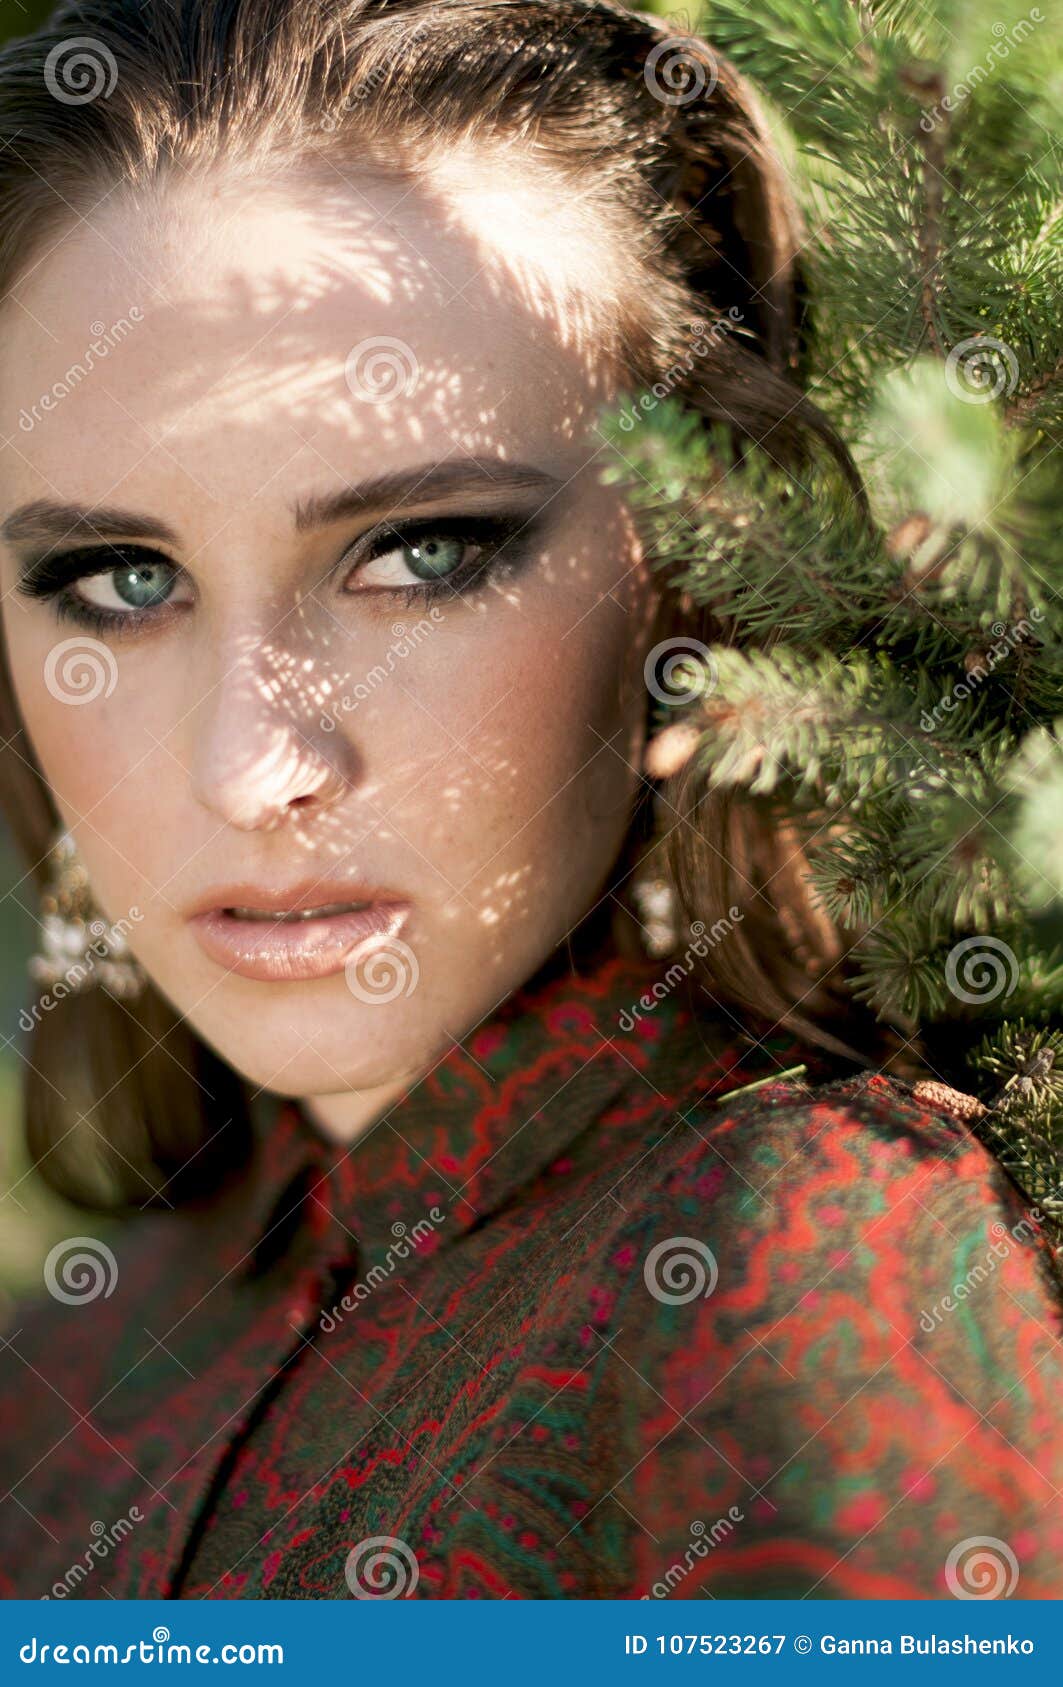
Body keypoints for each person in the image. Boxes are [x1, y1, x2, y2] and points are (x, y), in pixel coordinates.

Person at [0, 0, 1059, 1602]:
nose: (252, 767)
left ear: (696, 568)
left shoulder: (807, 1260)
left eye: (421, 553)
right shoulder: (84, 1342)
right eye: (117, 576)